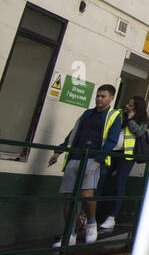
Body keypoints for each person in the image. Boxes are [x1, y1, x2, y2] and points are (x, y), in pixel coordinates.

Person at [49, 84, 122, 246]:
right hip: (75, 157)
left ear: (111, 98)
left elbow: (111, 140)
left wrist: (98, 161)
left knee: (87, 195)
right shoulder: (87, 114)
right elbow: (73, 133)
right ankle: (70, 234)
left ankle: (91, 222)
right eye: (98, 96)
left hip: (93, 158)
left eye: (103, 96)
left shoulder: (114, 116)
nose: (99, 99)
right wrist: (59, 151)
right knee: (69, 197)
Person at [98, 95, 149, 231]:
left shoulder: (142, 120)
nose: (127, 106)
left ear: (137, 109)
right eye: (127, 103)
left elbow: (139, 132)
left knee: (119, 185)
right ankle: (90, 215)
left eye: (131, 105)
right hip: (111, 153)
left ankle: (111, 217)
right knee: (100, 180)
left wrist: (131, 120)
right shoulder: (118, 114)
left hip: (127, 156)